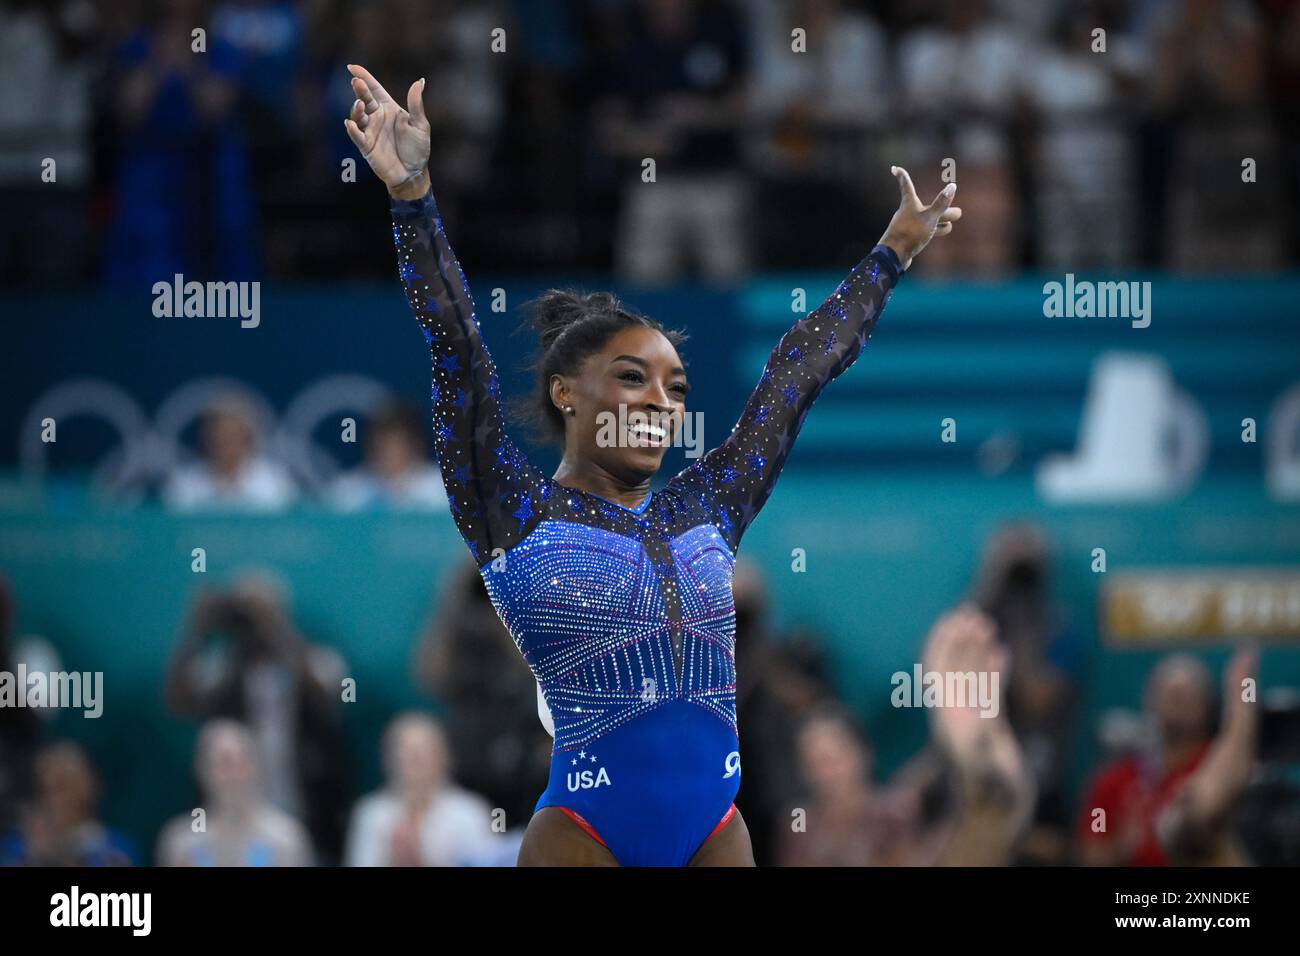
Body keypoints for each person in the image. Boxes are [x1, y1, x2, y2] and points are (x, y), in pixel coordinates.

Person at [343, 62, 961, 866]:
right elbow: (457, 349)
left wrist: (891, 253)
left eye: (674, 387)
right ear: (567, 392)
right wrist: (414, 198)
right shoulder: (514, 513)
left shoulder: (704, 508)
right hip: (584, 831)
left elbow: (795, 376)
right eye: (631, 377)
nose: (659, 402)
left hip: (716, 828)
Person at [344, 712, 500, 867]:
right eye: (407, 755)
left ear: (444, 757)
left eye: (422, 754)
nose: (414, 764)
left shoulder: (470, 812)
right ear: (389, 760)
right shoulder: (371, 813)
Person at [157, 719, 313, 867]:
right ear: (202, 770)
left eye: (242, 763)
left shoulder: (286, 839)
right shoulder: (183, 842)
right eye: (224, 763)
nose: (234, 775)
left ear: (256, 767)